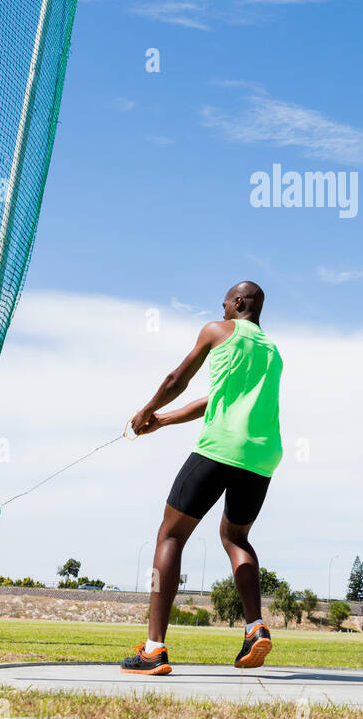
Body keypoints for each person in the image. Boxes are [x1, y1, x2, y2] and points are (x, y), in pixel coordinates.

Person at [120, 281, 282, 676]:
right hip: (262, 454)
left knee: (171, 536)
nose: (222, 306)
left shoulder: (217, 330)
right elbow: (214, 401)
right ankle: (254, 627)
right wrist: (162, 421)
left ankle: (154, 649)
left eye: (226, 301)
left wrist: (147, 408)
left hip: (220, 448)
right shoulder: (272, 350)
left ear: (239, 302)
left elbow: (178, 379)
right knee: (236, 538)